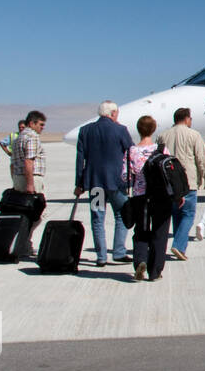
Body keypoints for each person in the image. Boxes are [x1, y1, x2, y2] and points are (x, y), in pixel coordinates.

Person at [73, 101, 135, 266]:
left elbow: (80, 159)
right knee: (122, 215)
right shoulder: (120, 130)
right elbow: (131, 151)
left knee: (97, 218)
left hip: (95, 184)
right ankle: (119, 252)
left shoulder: (85, 130)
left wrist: (79, 183)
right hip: (116, 183)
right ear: (113, 113)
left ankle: (101, 257)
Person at [156, 107, 205, 261]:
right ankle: (179, 245)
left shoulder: (163, 136)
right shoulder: (194, 135)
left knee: (176, 213)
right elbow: (201, 158)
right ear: (187, 119)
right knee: (188, 214)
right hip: (188, 181)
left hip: (168, 182)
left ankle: (180, 247)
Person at [124, 115, 174, 282]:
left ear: (139, 130)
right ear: (153, 129)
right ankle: (155, 271)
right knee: (160, 233)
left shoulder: (131, 151)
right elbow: (170, 171)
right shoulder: (161, 150)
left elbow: (124, 176)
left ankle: (140, 261)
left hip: (140, 197)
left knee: (141, 231)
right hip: (160, 197)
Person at [9, 111, 48, 256]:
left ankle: (20, 243)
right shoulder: (32, 137)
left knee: (22, 213)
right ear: (32, 123)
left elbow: (14, 163)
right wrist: (30, 184)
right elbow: (28, 161)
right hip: (30, 178)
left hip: (19, 178)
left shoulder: (19, 137)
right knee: (36, 215)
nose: (42, 128)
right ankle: (25, 242)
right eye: (41, 125)